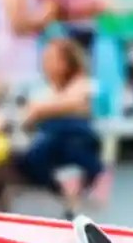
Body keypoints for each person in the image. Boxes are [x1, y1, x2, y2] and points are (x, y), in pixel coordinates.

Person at [15, 38, 108, 219]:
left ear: (67, 62)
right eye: (45, 59)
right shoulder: (44, 88)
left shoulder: (84, 83)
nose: (46, 64)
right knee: (38, 147)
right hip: (53, 146)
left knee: (58, 135)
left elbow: (77, 103)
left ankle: (70, 191)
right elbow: (29, 116)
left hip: (78, 143)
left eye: (52, 59)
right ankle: (65, 194)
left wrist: (41, 110)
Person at [0, 0, 59, 129]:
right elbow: (18, 26)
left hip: (23, 54)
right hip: (16, 57)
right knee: (17, 110)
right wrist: (47, 13)